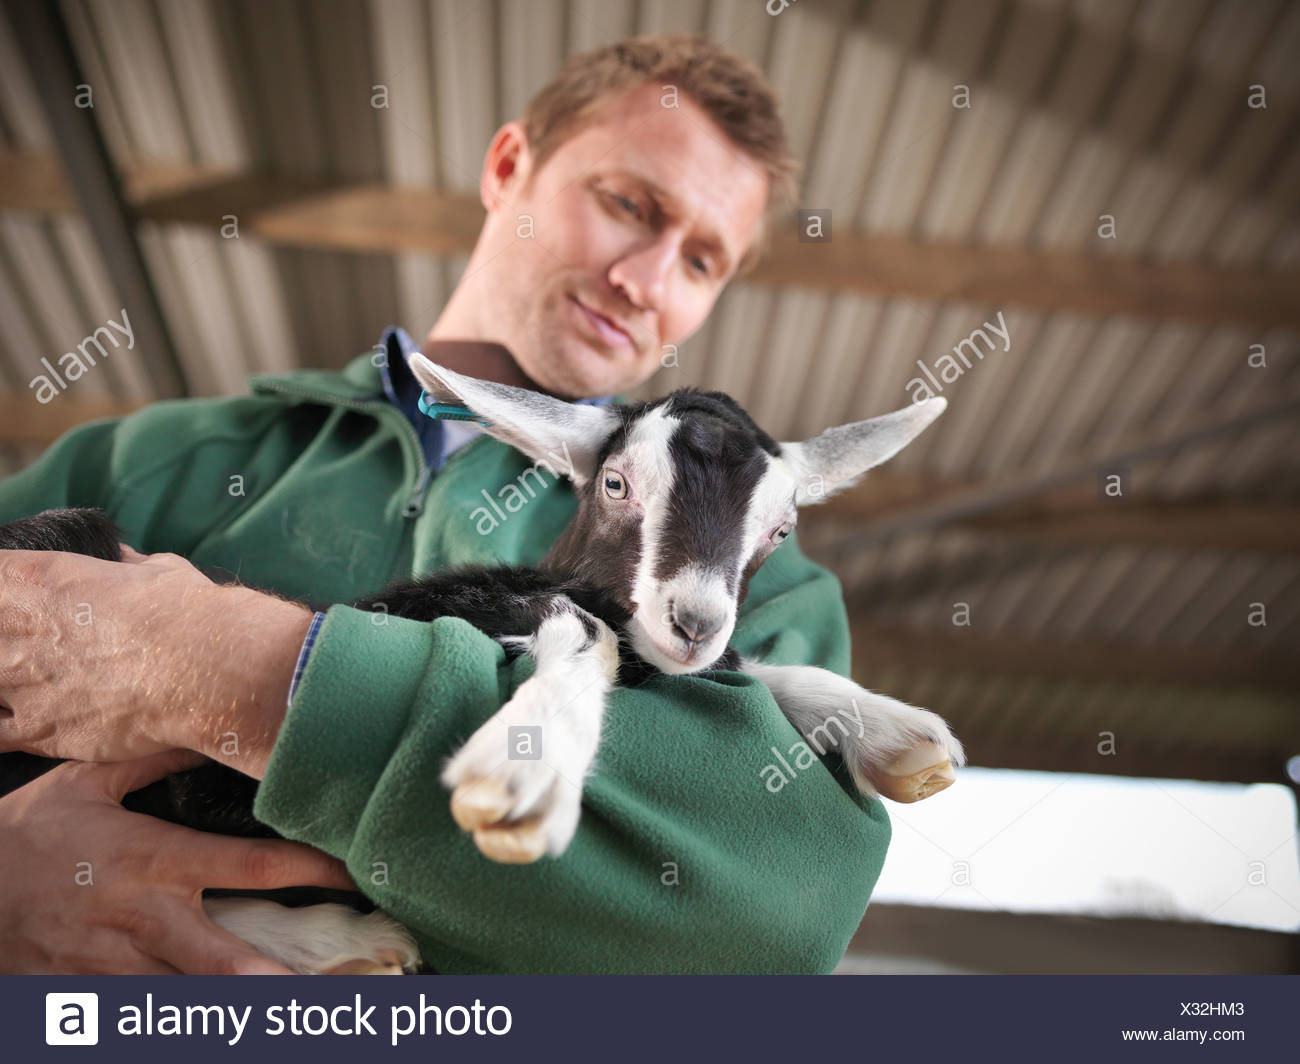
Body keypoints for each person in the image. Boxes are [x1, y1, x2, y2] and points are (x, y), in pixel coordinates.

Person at [0, 33, 890, 974]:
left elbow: (765, 919)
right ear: (509, 167)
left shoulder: (770, 589)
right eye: (629, 204)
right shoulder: (159, 458)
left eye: (703, 262)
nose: (648, 283)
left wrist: (230, 664)